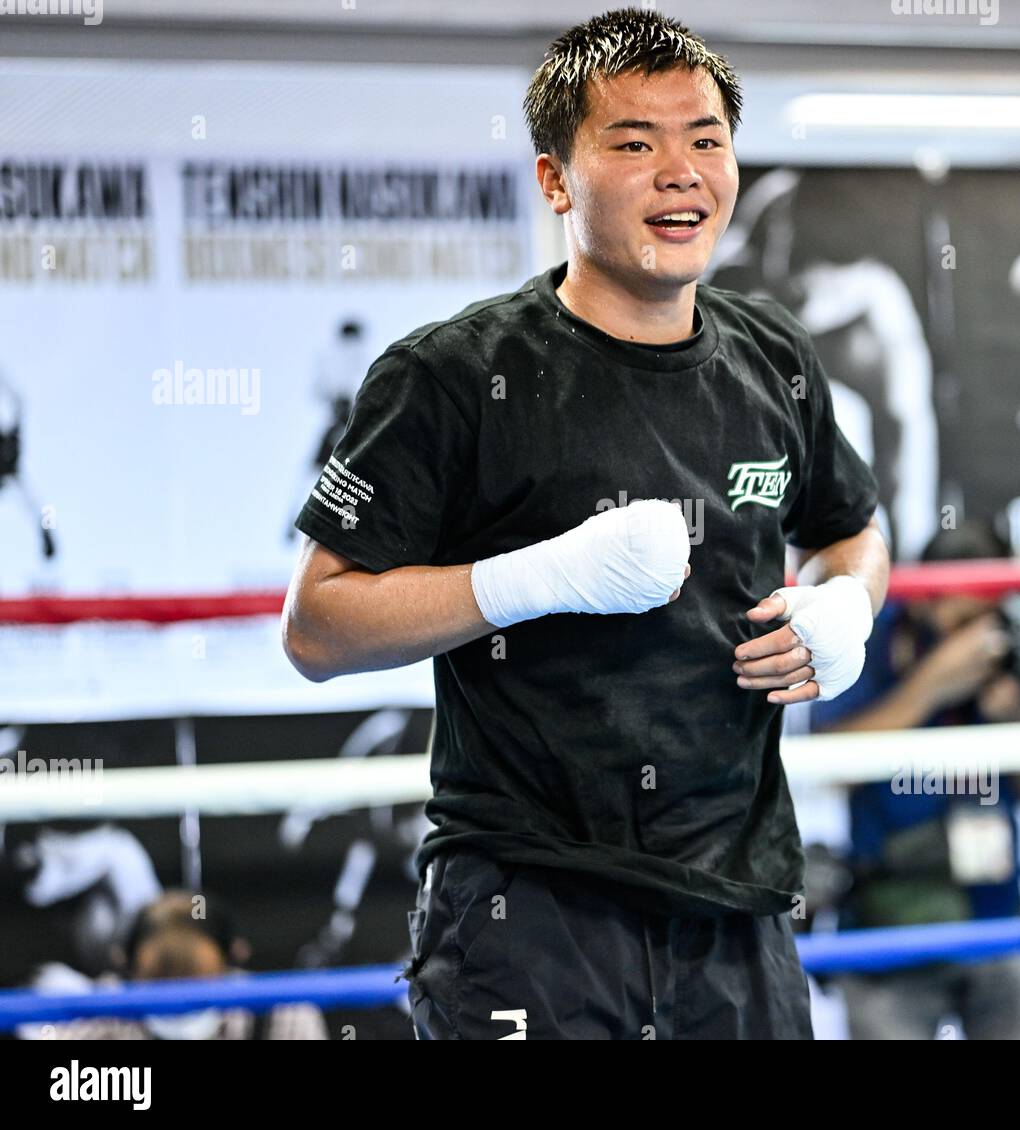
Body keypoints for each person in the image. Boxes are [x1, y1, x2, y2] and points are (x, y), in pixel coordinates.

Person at [282, 6, 889, 1040]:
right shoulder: (452, 375)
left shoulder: (772, 357)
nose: (680, 171)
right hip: (528, 902)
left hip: (736, 906)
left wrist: (847, 602)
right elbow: (316, 628)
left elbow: (854, 527)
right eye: (634, 142)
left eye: (705, 139)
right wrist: (530, 577)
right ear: (556, 178)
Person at [810, 520, 1020, 1040]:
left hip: (996, 916)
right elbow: (831, 768)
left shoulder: (1012, 648)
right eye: (962, 615)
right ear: (923, 601)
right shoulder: (872, 639)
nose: (976, 631)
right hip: (890, 927)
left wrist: (1015, 721)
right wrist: (934, 683)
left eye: (989, 611)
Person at [30, 891, 327, 1040]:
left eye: (197, 984)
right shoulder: (103, 1009)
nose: (180, 1003)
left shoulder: (285, 1014)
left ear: (234, 958)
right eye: (160, 985)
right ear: (125, 966)